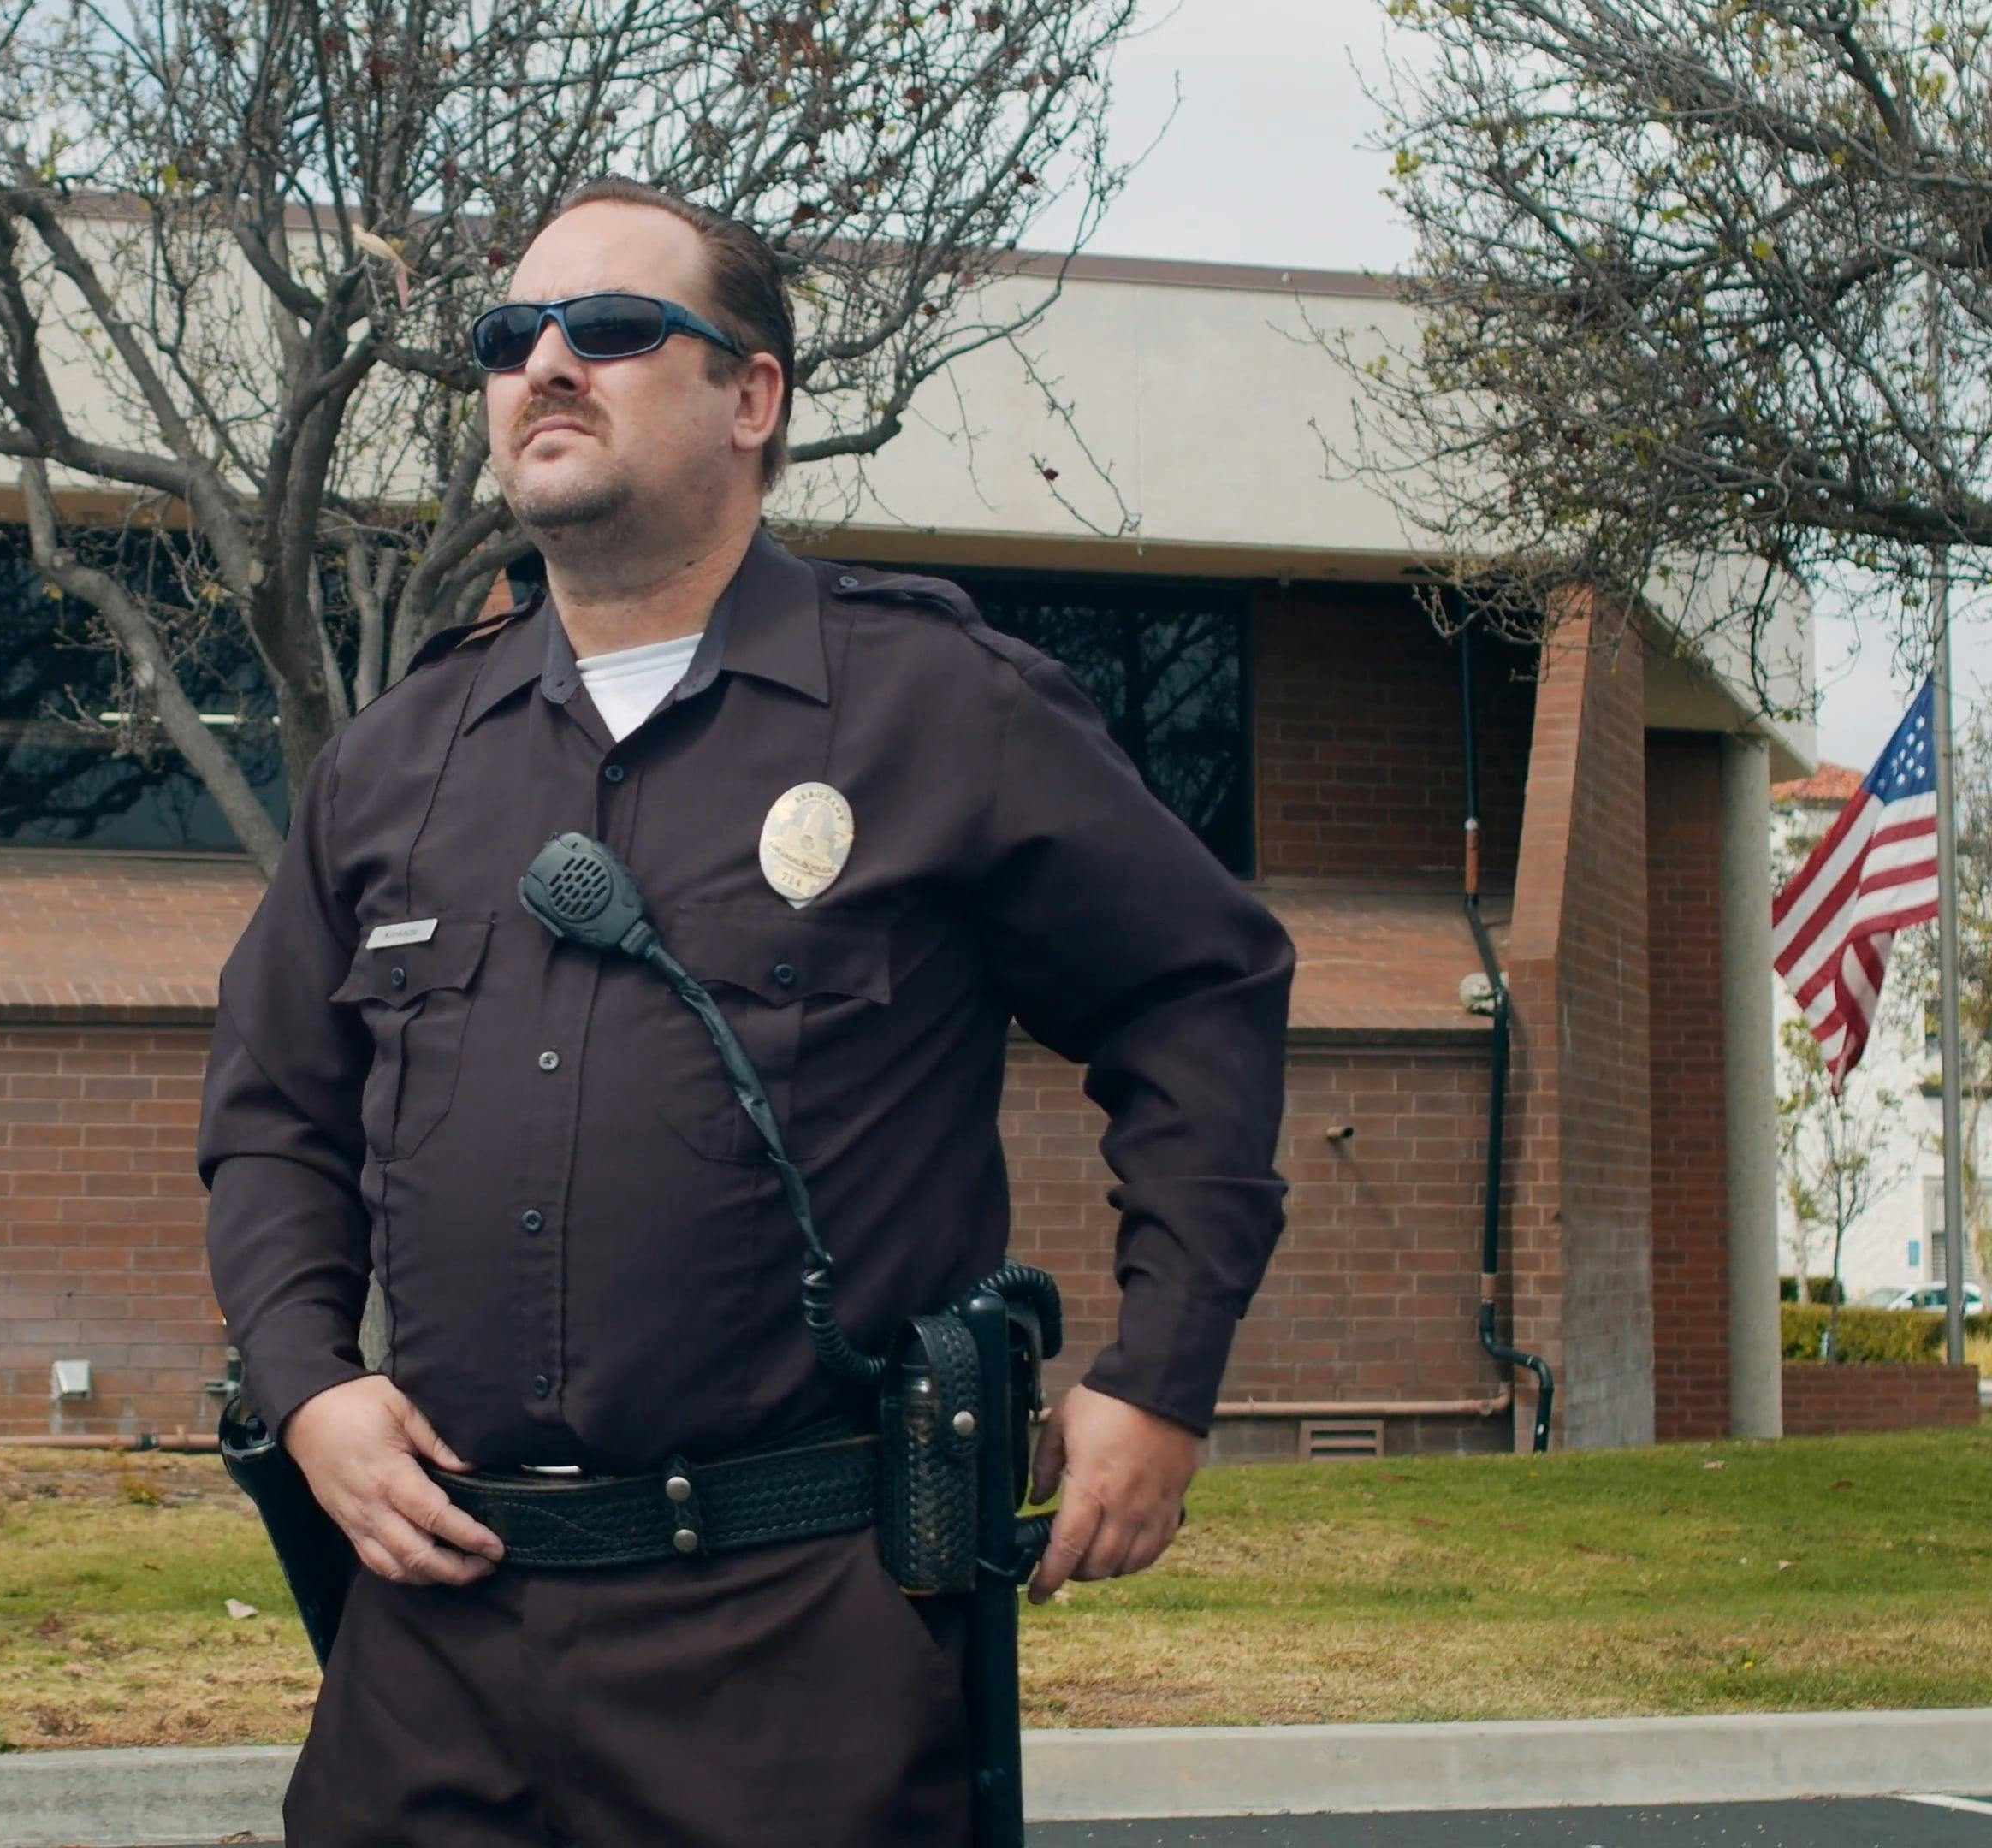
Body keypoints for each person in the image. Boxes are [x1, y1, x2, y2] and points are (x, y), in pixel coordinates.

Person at [199, 175, 1296, 1845]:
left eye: (616, 328)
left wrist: (1162, 1376)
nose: (548, 362)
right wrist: (307, 1379)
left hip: (796, 1649)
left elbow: (1199, 993)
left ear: (754, 396)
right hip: (436, 1646)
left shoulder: (942, 710)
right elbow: (272, 1108)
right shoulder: (402, 760)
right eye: (512, 337)